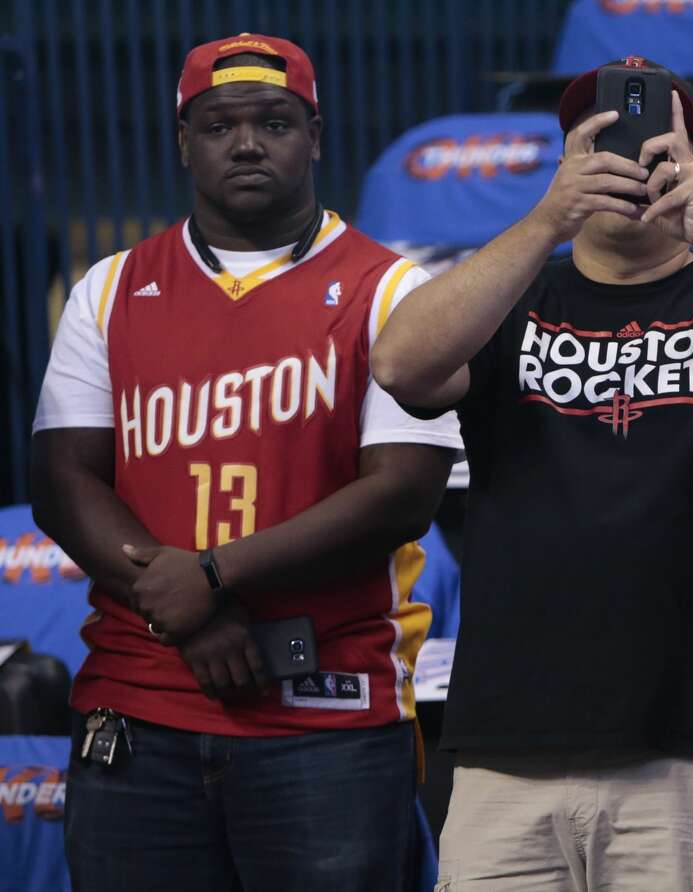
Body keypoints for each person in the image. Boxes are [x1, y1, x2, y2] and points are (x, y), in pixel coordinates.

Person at [370, 57, 693, 890]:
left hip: (691, 748)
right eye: (594, 145)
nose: (628, 162)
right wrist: (543, 221)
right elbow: (401, 366)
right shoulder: (514, 297)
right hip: (505, 750)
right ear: (565, 160)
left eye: (658, 148)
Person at [30, 34, 461, 891]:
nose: (249, 142)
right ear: (182, 141)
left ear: (317, 135)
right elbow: (60, 480)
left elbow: (401, 495)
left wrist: (215, 575)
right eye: (219, 125)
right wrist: (191, 611)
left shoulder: (394, 290)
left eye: (275, 121)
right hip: (138, 710)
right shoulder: (110, 288)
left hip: (326, 719)